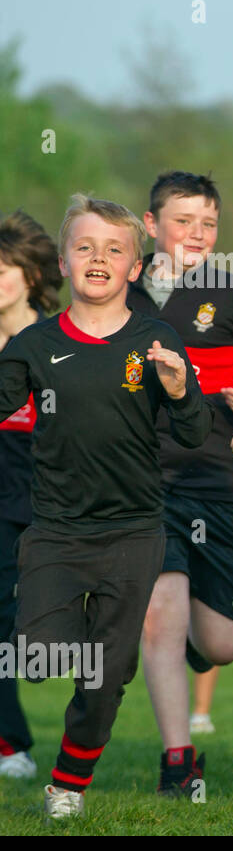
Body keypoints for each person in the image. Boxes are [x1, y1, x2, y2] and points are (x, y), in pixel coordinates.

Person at [0, 195, 211, 819]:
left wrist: (178, 389)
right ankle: (81, 647)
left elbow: (195, 433)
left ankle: (67, 786)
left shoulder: (157, 338)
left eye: (114, 250)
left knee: (106, 675)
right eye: (86, 247)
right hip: (56, 532)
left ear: (135, 268)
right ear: (63, 264)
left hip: (134, 531)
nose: (100, 258)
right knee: (39, 656)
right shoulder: (32, 345)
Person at [130, 171, 233, 796]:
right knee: (158, 620)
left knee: (222, 645)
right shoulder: (123, 291)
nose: (197, 234)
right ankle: (178, 761)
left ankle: (188, 654)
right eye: (183, 221)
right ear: (152, 226)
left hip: (223, 481)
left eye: (209, 223)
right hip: (146, 482)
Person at [0, 210, 63, 780]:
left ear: (32, 276)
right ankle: (11, 744)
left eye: (2, 270)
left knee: (36, 639)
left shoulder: (56, 340)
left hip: (51, 506)